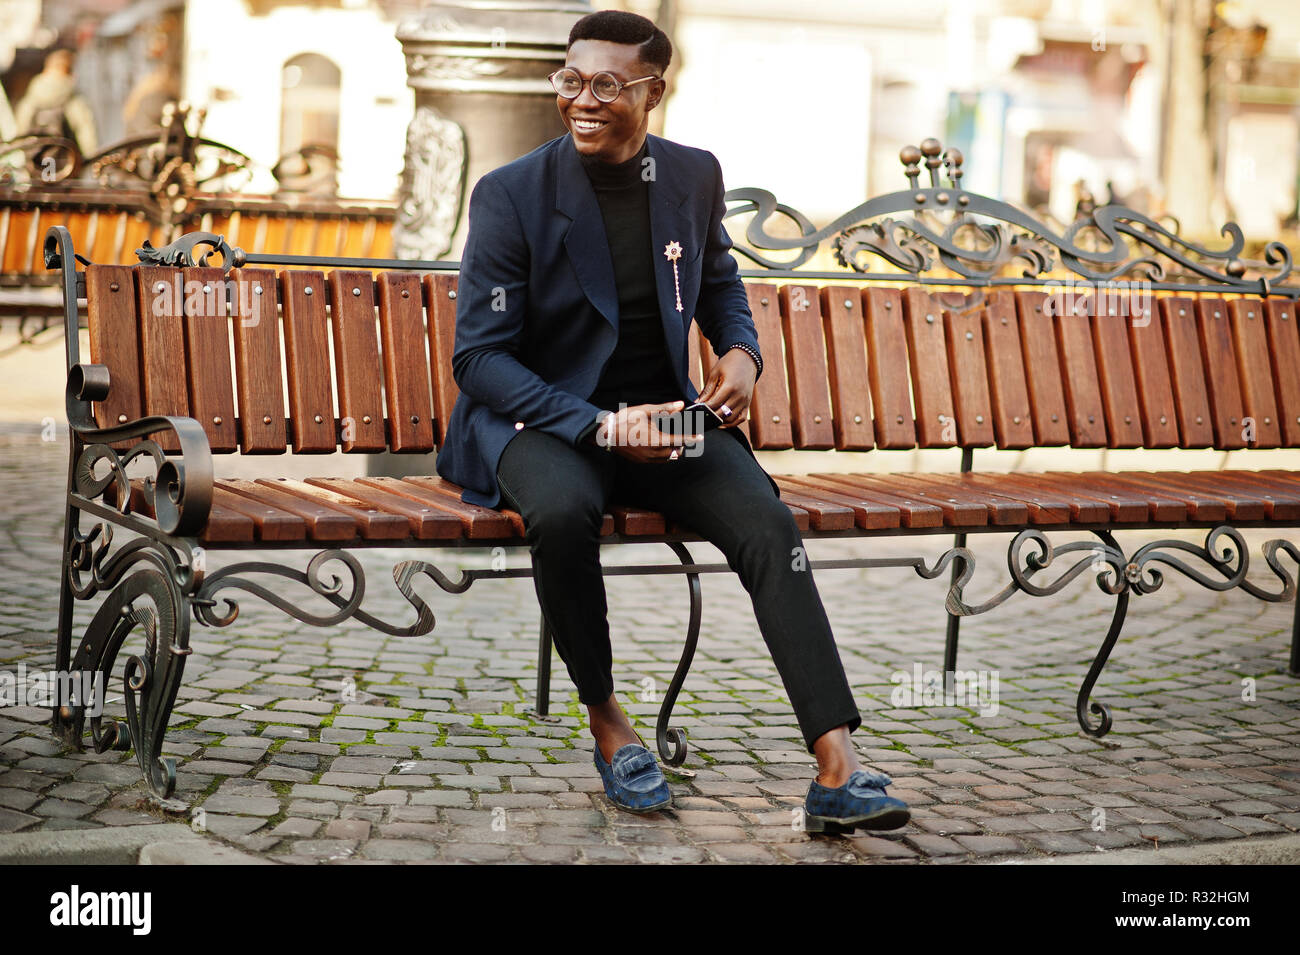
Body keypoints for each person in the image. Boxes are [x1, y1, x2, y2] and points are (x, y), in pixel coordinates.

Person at [434, 9, 910, 833]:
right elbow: (479, 359)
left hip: (667, 419)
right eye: (571, 80)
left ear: (655, 92)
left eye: (609, 85)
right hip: (538, 422)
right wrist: (600, 425)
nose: (584, 99)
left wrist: (741, 354)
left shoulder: (690, 177)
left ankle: (838, 763)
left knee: (767, 521)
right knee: (561, 511)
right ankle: (611, 726)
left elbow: (721, 280)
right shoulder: (511, 194)